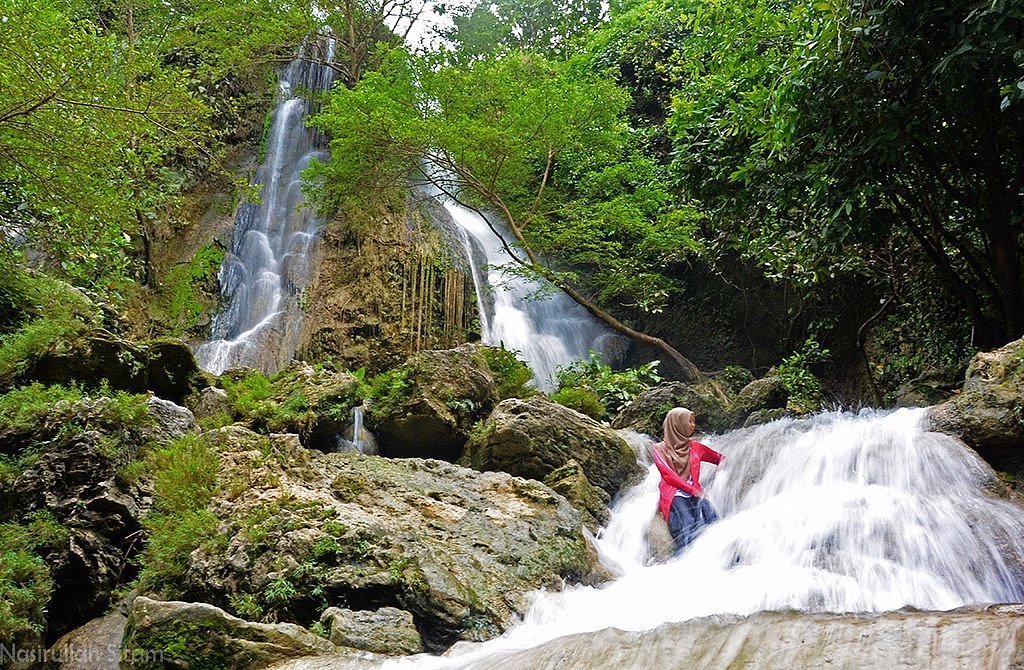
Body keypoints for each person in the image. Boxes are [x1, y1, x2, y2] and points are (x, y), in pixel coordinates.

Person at [652, 407, 724, 554]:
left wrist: (719, 477)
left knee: (712, 517)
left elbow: (720, 459)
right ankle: (685, 558)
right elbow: (668, 475)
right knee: (688, 522)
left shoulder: (696, 447)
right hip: (675, 493)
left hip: (695, 492)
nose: (693, 425)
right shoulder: (659, 449)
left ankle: (723, 556)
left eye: (693, 422)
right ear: (676, 424)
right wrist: (693, 490)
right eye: (689, 421)